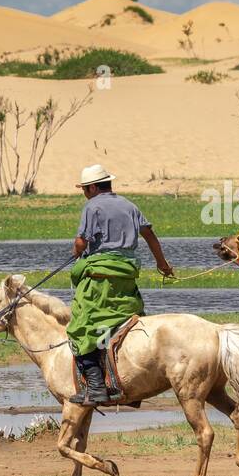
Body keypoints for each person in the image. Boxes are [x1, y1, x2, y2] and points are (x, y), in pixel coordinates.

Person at [67, 164, 174, 404]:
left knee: (80, 327)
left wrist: (76, 252)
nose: (85, 193)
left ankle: (95, 387)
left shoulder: (92, 206)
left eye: (85, 188)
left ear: (93, 187)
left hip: (99, 278)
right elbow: (150, 236)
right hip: (126, 277)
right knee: (125, 321)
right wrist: (162, 264)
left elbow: (81, 243)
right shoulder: (130, 206)